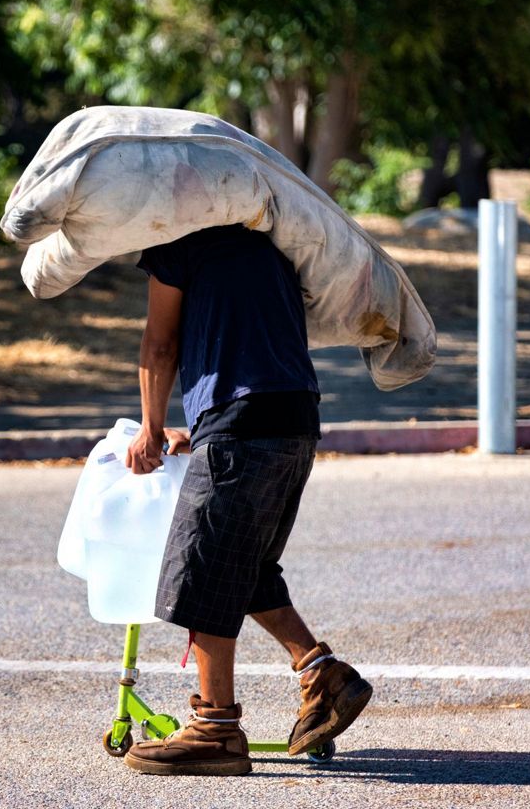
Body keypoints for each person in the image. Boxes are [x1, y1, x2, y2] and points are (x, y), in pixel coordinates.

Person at [120, 223, 372, 776]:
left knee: (205, 569)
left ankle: (215, 729)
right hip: (295, 417)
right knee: (245, 566)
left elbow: (160, 344)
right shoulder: (272, 241)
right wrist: (204, 432)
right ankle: (322, 674)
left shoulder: (177, 243)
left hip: (241, 422)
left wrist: (151, 430)